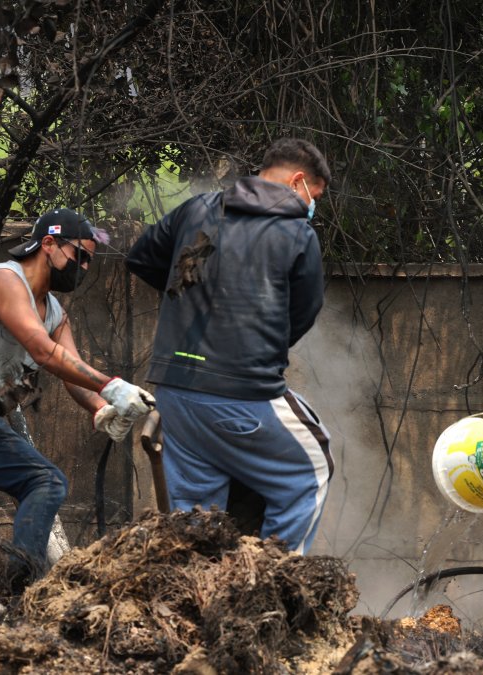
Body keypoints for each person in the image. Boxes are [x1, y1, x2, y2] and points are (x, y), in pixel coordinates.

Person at [0, 208, 156, 579]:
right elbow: (43, 352)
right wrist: (111, 385)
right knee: (45, 481)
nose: (83, 267)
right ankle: (22, 585)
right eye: (79, 255)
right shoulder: (5, 280)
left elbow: (71, 370)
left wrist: (102, 409)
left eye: (89, 260)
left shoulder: (55, 313)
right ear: (49, 243)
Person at [126, 138, 333, 555]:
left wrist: (190, 304)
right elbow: (304, 312)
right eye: (315, 196)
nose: (313, 206)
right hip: (244, 394)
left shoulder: (198, 208)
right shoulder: (296, 233)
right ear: (297, 181)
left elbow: (142, 257)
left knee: (195, 522)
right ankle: (278, 585)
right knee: (311, 470)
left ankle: (195, 603)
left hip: (175, 391)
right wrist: (254, 345)